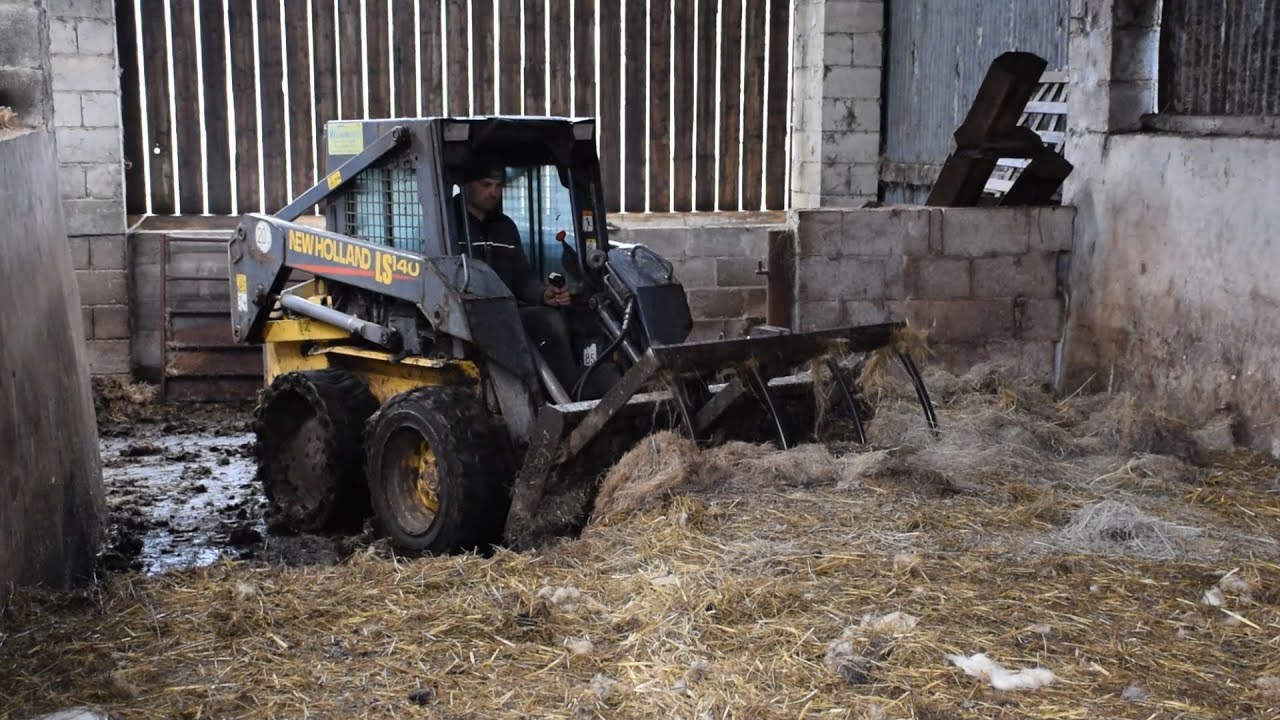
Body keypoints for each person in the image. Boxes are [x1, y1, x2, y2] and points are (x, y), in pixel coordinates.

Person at [454, 167, 578, 395]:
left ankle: (567, 397)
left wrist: (543, 294)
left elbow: (522, 276)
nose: (494, 192)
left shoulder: (505, 228)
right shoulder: (449, 224)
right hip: (462, 316)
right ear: (467, 184)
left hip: (506, 311)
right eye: (486, 185)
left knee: (550, 320)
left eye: (498, 186)